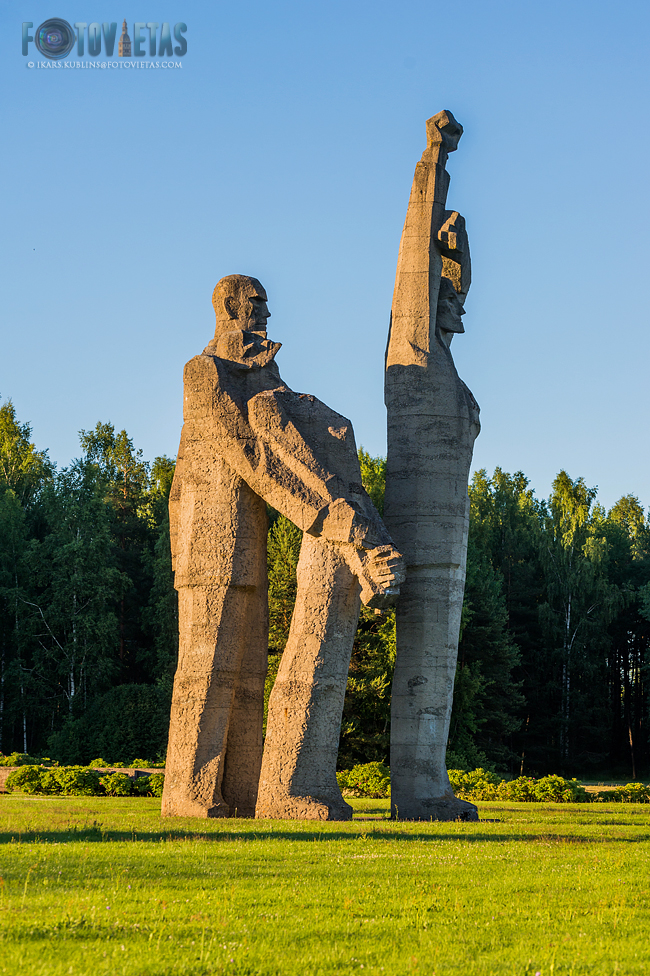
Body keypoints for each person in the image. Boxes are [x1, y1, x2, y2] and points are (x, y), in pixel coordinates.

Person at [161, 275, 404, 819]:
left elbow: (287, 424)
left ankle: (242, 790)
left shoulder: (260, 373)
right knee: (206, 665)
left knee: (246, 672)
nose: (265, 314)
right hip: (207, 537)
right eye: (256, 304)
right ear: (227, 307)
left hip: (249, 539)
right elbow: (248, 450)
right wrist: (323, 515)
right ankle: (188, 792)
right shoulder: (205, 373)